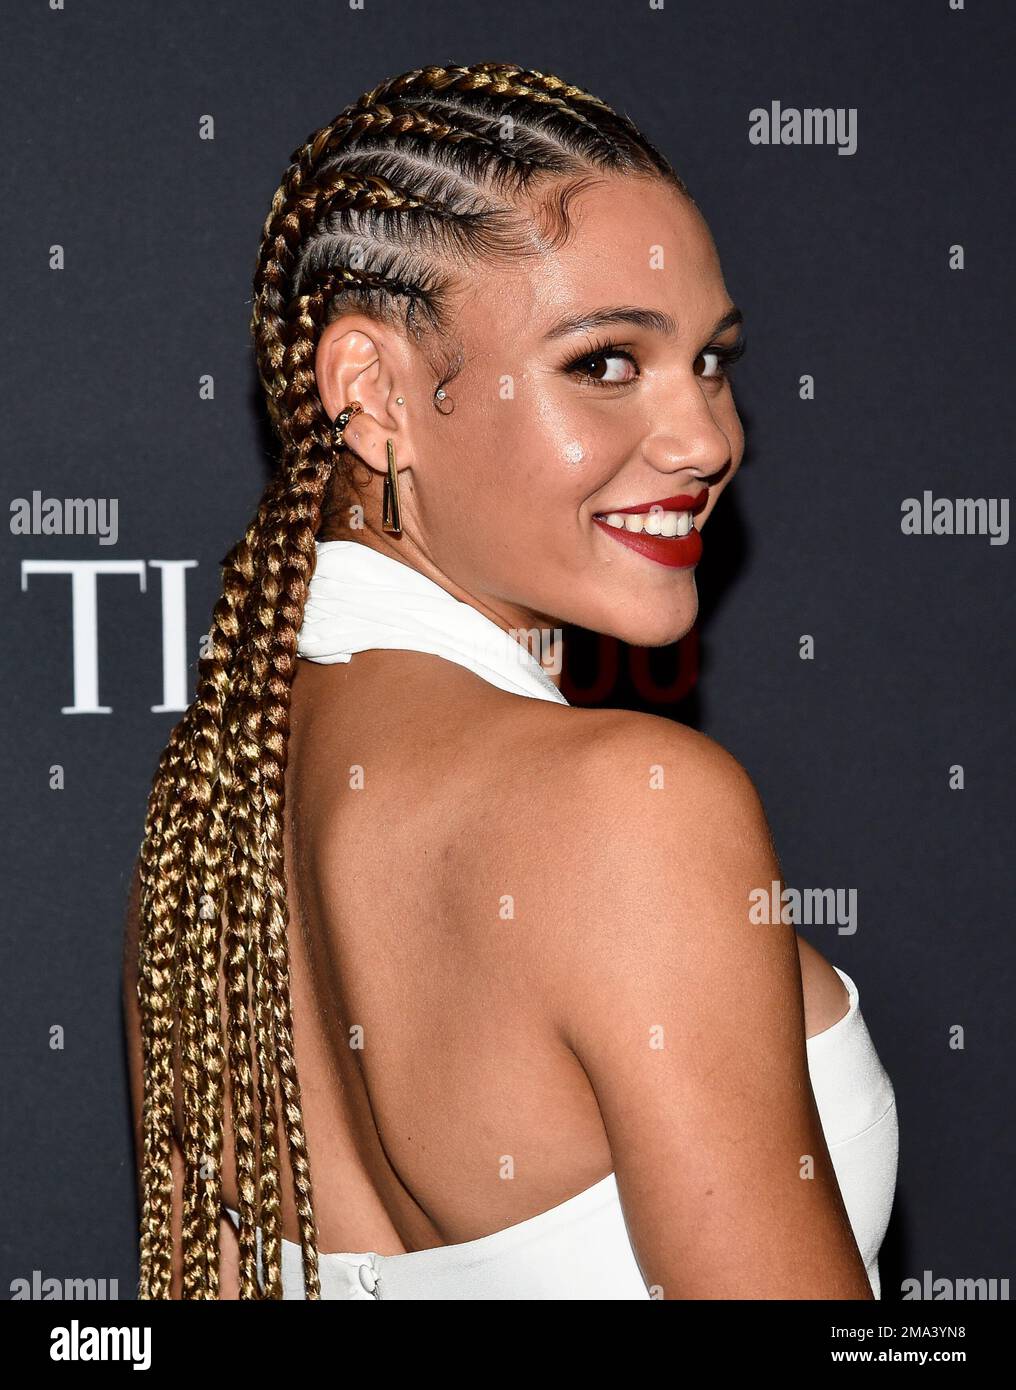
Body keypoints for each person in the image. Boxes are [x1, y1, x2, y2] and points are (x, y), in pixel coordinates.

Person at [122, 60, 898, 1300]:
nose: (708, 437)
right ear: (373, 396)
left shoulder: (219, 815)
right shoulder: (634, 802)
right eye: (601, 362)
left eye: (711, 358)